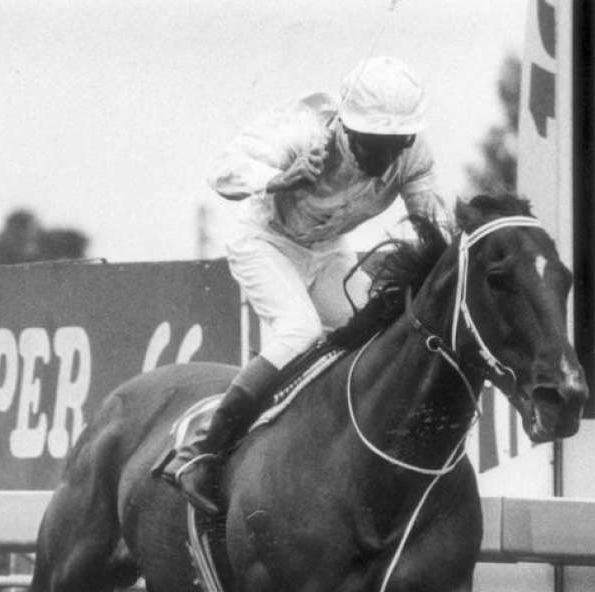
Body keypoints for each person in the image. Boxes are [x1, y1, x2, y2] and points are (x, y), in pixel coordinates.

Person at [159, 57, 452, 515]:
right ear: (347, 127)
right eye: (374, 145)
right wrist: (279, 178)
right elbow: (223, 171)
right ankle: (199, 450)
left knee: (375, 337)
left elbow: (434, 228)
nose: (385, 160)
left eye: (397, 144)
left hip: (328, 251)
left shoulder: (412, 154)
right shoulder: (304, 130)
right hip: (265, 241)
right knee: (300, 331)